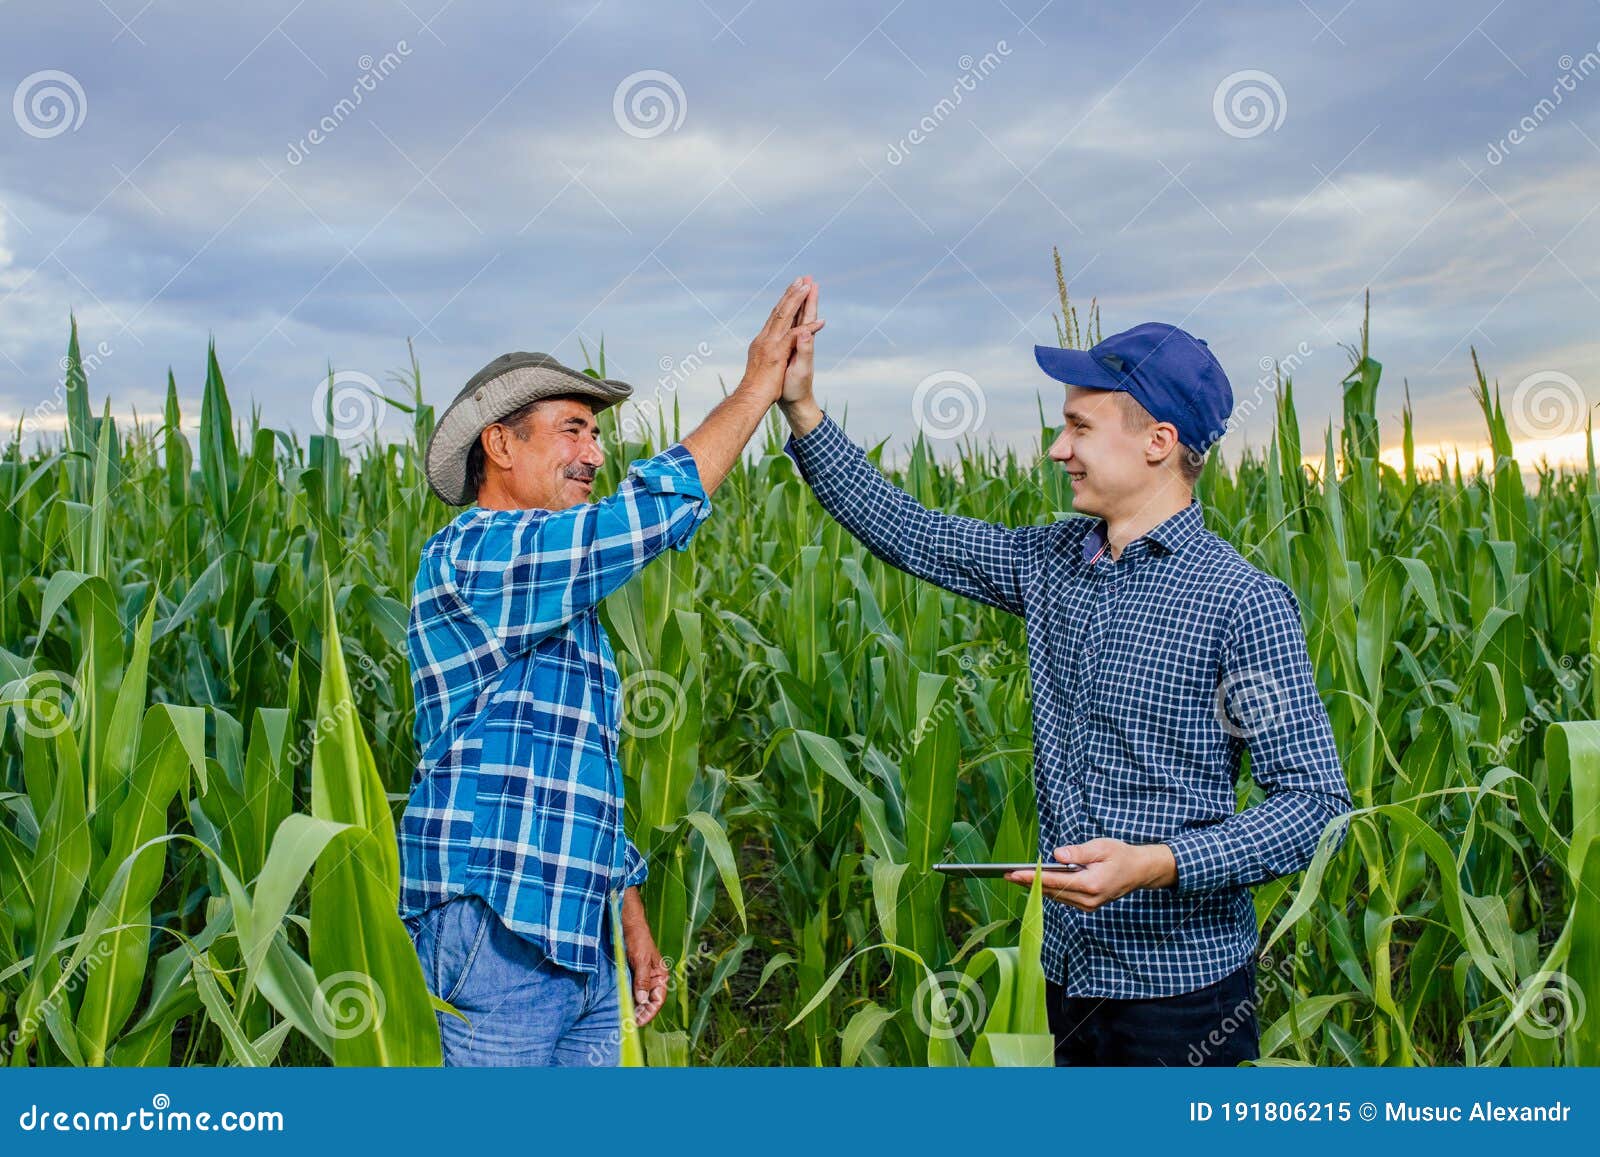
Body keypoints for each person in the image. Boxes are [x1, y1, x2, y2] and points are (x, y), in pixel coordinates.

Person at [778, 285, 1350, 1066]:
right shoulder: (1052, 563)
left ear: (1158, 441)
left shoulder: (1239, 602)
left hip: (1183, 998)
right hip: (1070, 977)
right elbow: (909, 530)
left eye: (1079, 426)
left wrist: (1156, 863)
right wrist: (802, 406)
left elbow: (1314, 804)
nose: (1057, 448)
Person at [398, 277, 824, 1065]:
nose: (594, 453)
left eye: (596, 435)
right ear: (500, 444)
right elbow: (643, 517)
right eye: (572, 430)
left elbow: (578, 773)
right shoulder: (475, 555)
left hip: (577, 938)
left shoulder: (557, 600)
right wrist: (758, 389)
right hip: (492, 933)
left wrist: (629, 920)